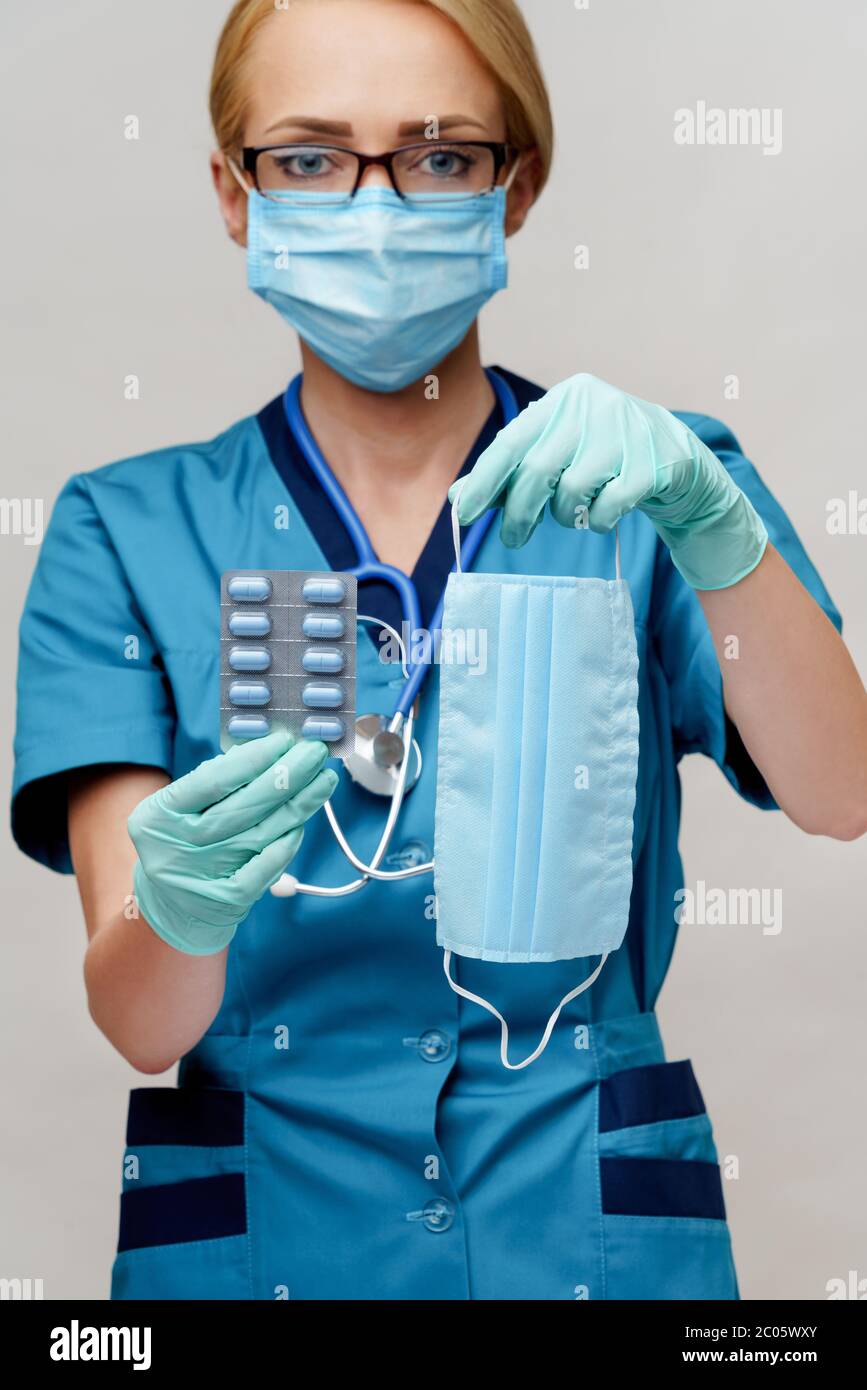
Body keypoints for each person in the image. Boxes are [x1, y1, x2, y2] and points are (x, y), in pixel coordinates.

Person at [13, 0, 867, 1302]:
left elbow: (843, 790)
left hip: (579, 1229)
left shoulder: (654, 490)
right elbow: (143, 1022)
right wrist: (174, 913)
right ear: (234, 194)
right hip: (270, 1236)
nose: (374, 206)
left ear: (516, 185)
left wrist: (715, 527)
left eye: (438, 156)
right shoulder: (127, 531)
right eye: (307, 157)